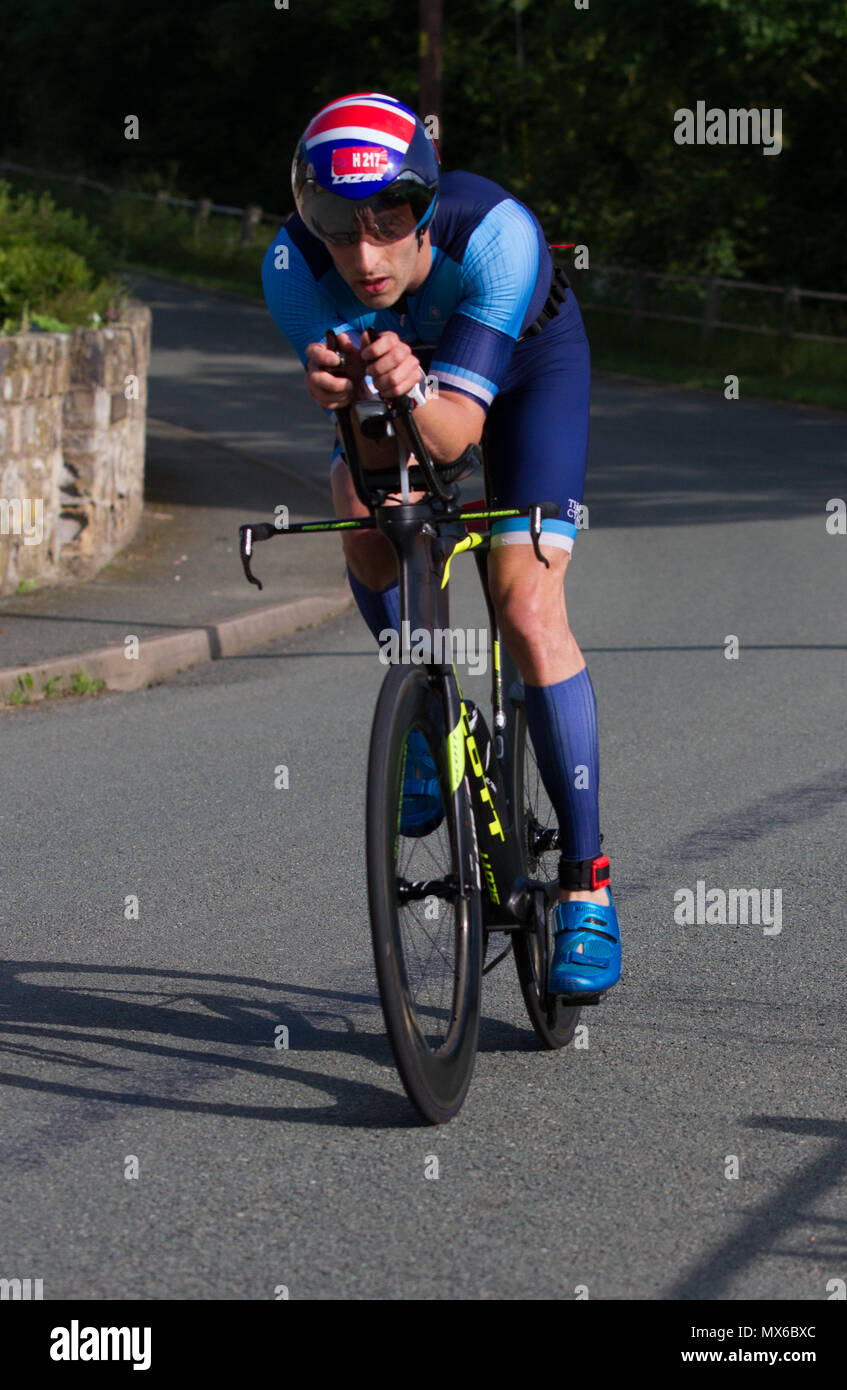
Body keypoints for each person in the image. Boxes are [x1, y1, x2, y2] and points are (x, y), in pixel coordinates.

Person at [261, 92, 621, 999]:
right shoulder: (291, 270)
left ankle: (586, 886)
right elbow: (383, 459)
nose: (365, 255)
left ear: (424, 205)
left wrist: (413, 388)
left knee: (525, 603)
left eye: (390, 220)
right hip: (408, 377)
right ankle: (423, 716)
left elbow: (456, 435)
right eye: (339, 228)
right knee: (359, 498)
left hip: (527, 368)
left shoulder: (497, 236)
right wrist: (346, 397)